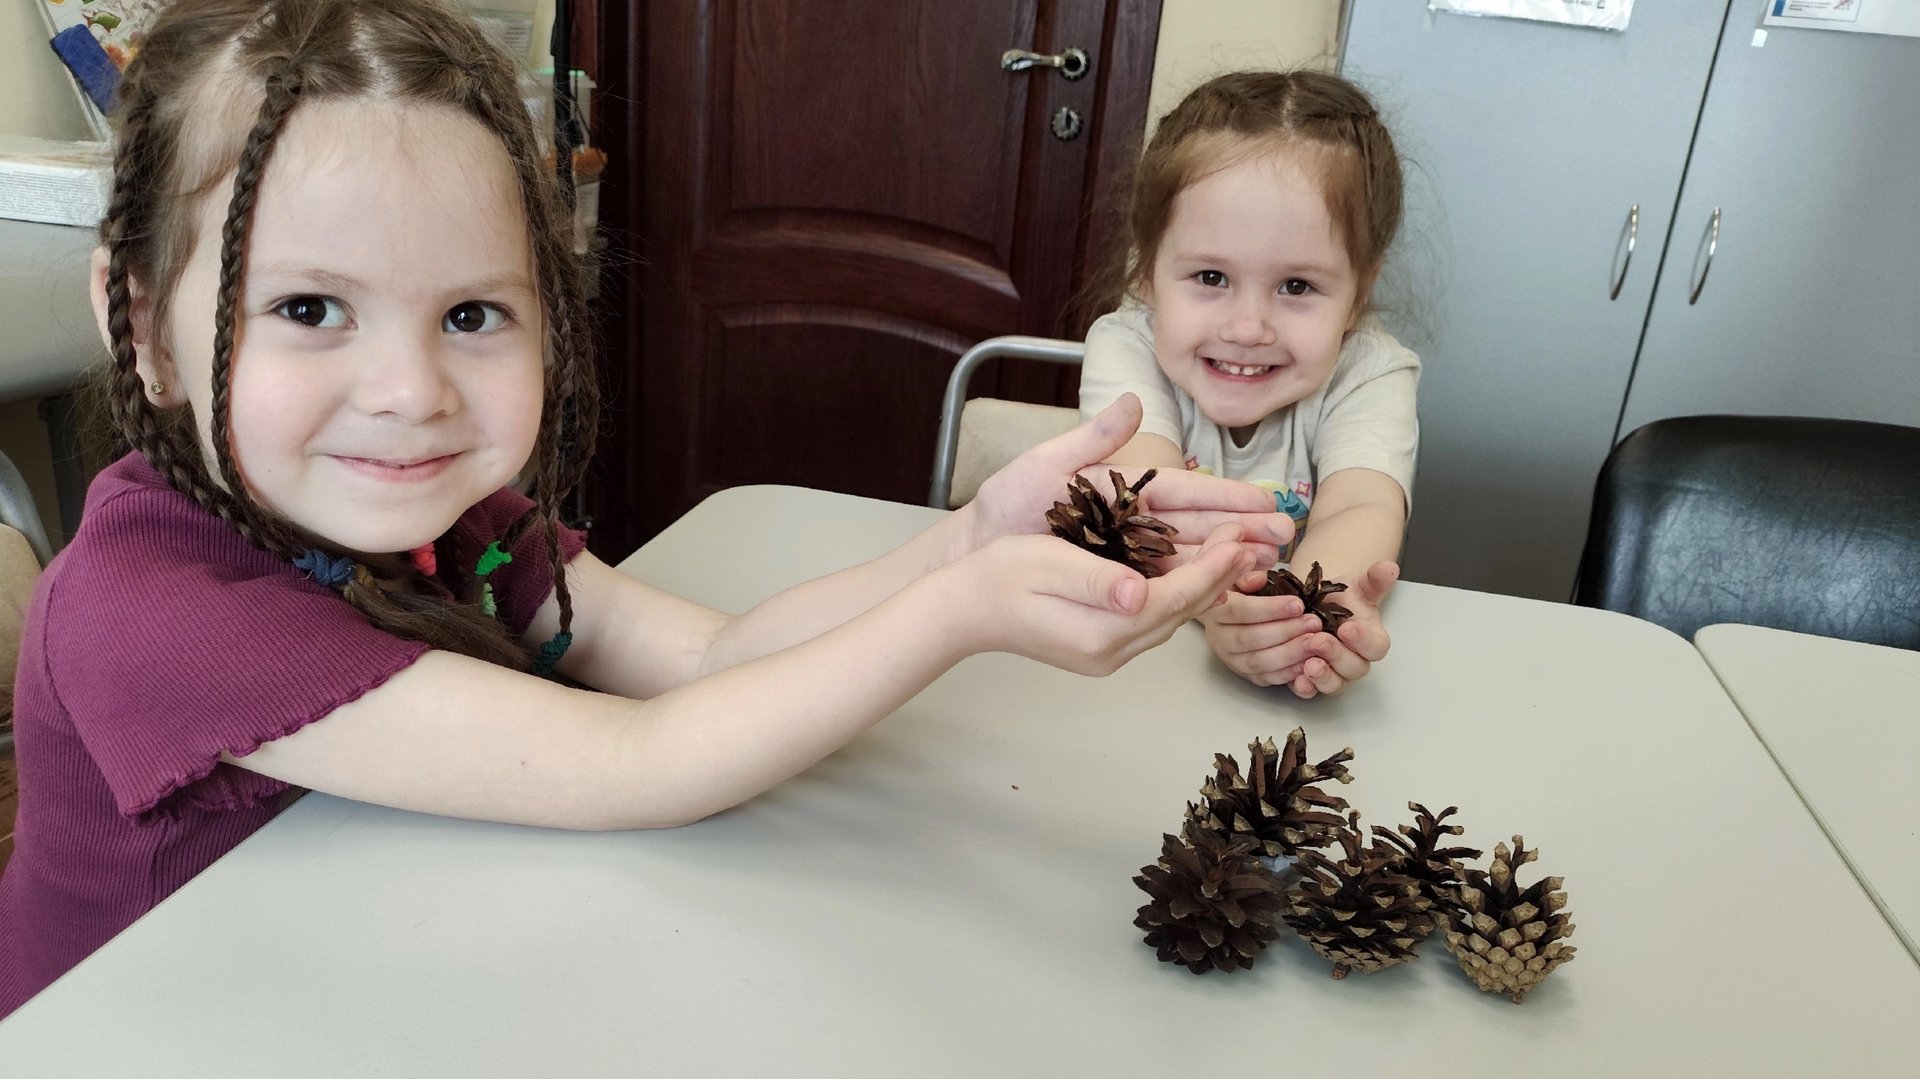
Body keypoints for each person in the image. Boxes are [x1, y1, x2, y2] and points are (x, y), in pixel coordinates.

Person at [0, 0, 1297, 1018]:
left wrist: (973, 536)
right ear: (142, 326)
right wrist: (963, 610)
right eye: (306, 307)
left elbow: (715, 657)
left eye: (471, 314)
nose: (410, 391)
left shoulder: (453, 528)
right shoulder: (153, 611)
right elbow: (639, 761)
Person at [1077, 70, 1419, 699]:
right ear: (1148, 273)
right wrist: (1218, 606)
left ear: (1357, 296)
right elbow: (1150, 503)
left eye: (1297, 286)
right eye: (1210, 276)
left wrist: (1307, 622)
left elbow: (1360, 507)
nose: (1247, 326)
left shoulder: (1371, 369)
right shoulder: (1127, 345)